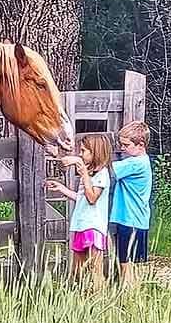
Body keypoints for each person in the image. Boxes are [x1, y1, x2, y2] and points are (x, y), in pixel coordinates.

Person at [61, 121, 152, 290]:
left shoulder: (135, 163)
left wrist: (77, 161)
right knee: (127, 261)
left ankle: (129, 294)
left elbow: (104, 168)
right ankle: (130, 294)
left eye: (126, 145)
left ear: (140, 145)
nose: (122, 148)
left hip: (131, 219)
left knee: (126, 263)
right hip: (134, 219)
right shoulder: (141, 161)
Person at [46, 134, 113, 292]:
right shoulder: (90, 174)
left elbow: (91, 198)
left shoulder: (102, 175)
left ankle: (100, 297)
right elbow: (81, 198)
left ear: (95, 152)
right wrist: (62, 189)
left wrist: (83, 173)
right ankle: (84, 297)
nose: (81, 154)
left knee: (94, 269)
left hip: (93, 227)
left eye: (84, 151)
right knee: (78, 270)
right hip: (81, 224)